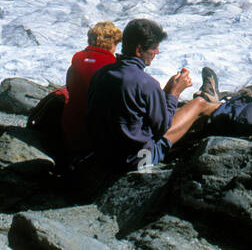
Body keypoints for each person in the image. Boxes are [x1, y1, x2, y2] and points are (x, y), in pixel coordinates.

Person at [86, 16, 221, 172]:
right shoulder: (146, 83)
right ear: (139, 49)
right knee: (198, 105)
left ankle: (213, 99)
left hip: (104, 156)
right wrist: (174, 93)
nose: (157, 52)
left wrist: (164, 93)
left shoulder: (101, 74)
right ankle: (220, 103)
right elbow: (163, 127)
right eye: (154, 48)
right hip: (138, 159)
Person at [62, 20, 124, 154]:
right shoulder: (112, 65)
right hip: (97, 133)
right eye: (115, 44)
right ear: (111, 42)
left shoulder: (78, 59)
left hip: (71, 125)